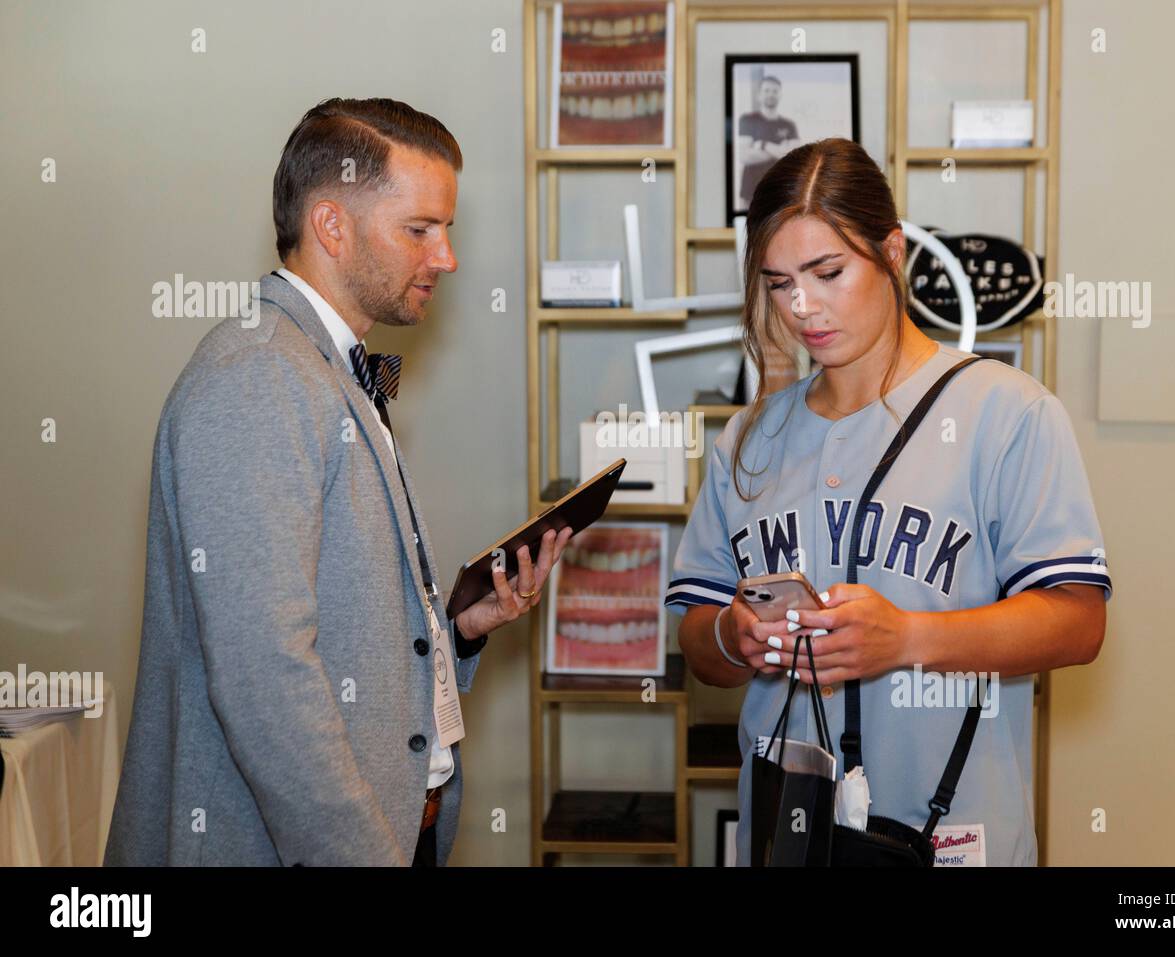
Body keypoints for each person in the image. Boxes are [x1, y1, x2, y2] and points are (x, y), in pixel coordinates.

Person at [104, 98, 572, 867]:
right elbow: (266, 679)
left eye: (446, 230)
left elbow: (343, 632)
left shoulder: (326, 366)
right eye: (420, 229)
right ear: (332, 225)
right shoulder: (258, 374)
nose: (446, 257)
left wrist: (459, 628)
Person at [665, 138, 1110, 866]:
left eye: (828, 271)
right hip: (788, 832)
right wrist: (732, 638)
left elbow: (1079, 621)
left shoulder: (1008, 412)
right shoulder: (749, 435)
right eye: (778, 283)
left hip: (957, 830)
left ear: (893, 252)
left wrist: (907, 638)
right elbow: (696, 638)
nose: (803, 306)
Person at [736, 75, 801, 210]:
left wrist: (763, 145)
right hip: (750, 192)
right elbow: (745, 156)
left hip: (781, 192)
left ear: (780, 95)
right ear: (759, 94)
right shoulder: (748, 120)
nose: (770, 94)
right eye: (766, 90)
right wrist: (780, 151)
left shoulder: (789, 125)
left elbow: (795, 157)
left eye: (774, 91)